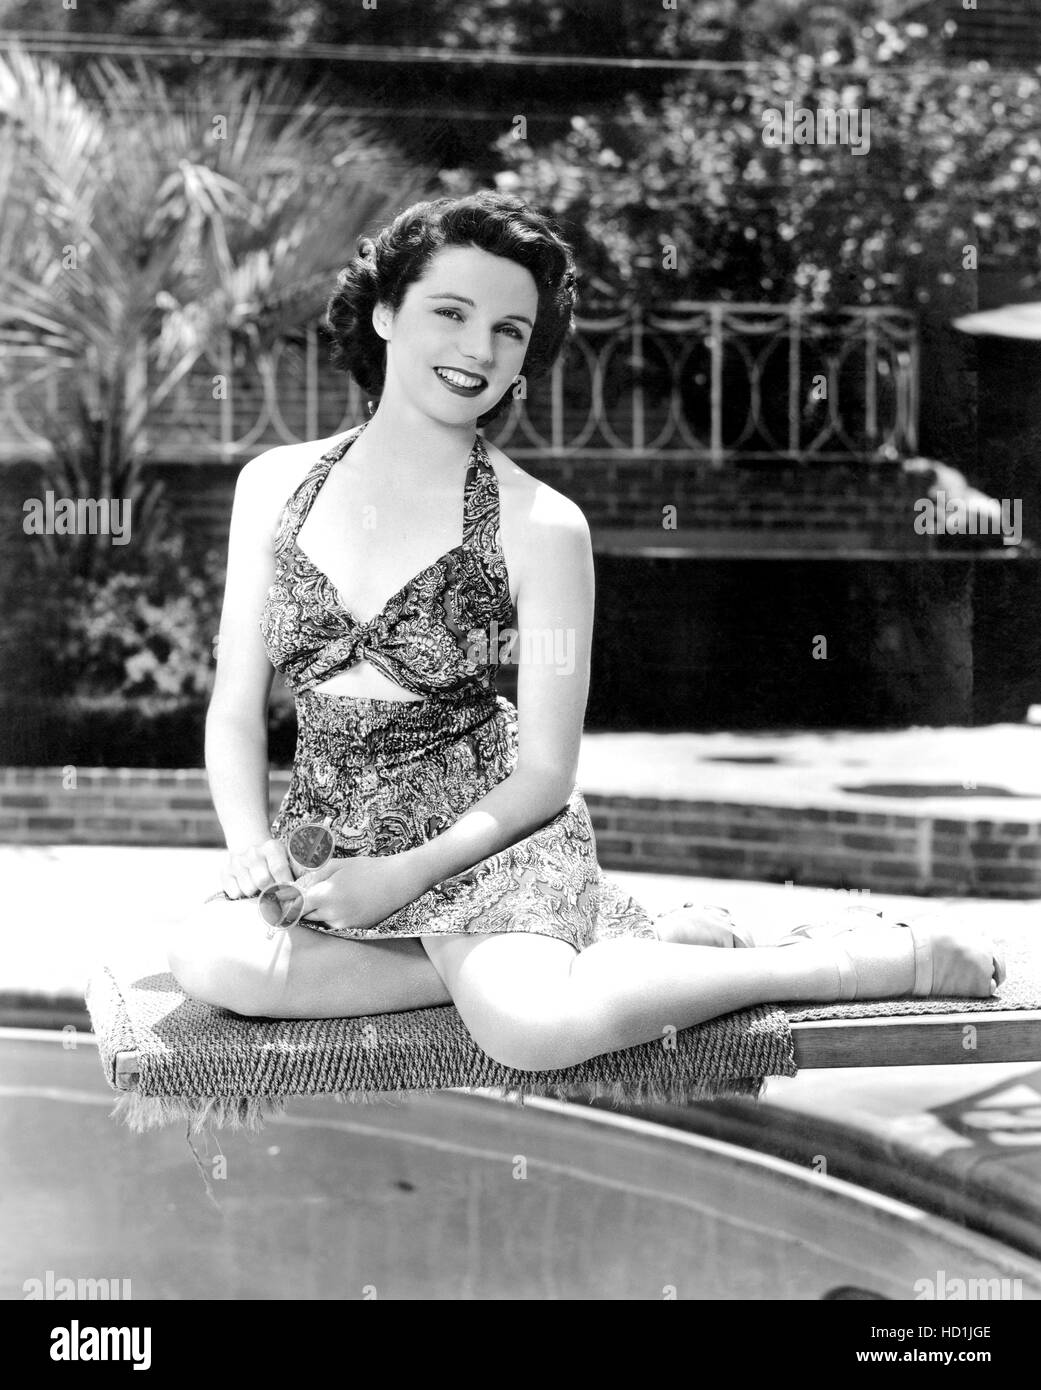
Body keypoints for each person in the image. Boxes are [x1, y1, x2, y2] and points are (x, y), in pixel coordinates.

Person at [167, 191, 1004, 1073]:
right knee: (213, 960)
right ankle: (612, 946)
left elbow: (544, 775)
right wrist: (250, 850)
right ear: (384, 313)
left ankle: (841, 962)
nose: (476, 350)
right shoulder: (273, 485)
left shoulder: (541, 523)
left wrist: (404, 879)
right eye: (449, 312)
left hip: (489, 833)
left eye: (509, 330)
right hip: (333, 832)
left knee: (531, 1031)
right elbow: (232, 709)